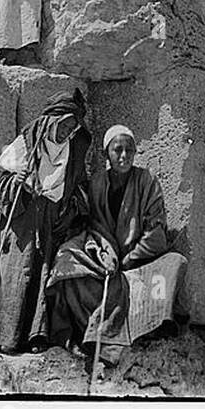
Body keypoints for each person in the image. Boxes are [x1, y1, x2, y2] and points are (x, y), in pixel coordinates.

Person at [47, 126, 186, 371]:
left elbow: (156, 231)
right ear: (106, 154)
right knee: (65, 258)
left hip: (141, 261)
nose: (123, 156)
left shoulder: (147, 181)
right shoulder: (97, 183)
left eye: (129, 150)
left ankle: (150, 325)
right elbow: (92, 226)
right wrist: (103, 252)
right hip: (106, 258)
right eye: (117, 150)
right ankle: (91, 331)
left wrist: (131, 257)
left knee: (174, 263)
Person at [0, 90, 90, 354]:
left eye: (71, 127)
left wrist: (70, 206)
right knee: (15, 274)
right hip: (22, 224)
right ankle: (5, 336)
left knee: (44, 276)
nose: (66, 131)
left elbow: (80, 188)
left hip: (54, 225)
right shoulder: (27, 144)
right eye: (63, 125)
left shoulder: (74, 153)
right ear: (50, 122)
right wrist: (17, 182)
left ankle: (38, 336)